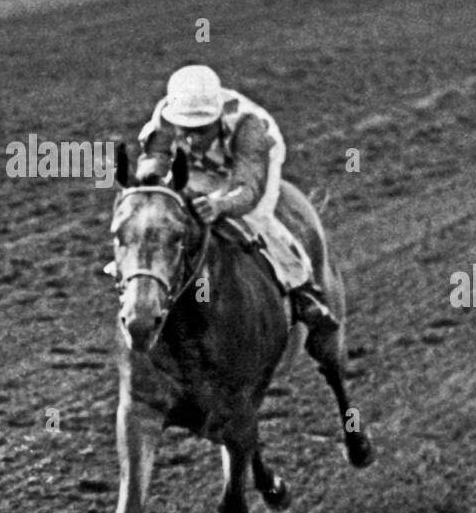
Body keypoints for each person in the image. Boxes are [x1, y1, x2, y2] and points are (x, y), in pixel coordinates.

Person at [133, 64, 337, 334]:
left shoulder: (249, 127)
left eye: (202, 129)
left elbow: (248, 191)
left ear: (217, 118)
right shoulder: (165, 116)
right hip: (199, 167)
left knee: (255, 219)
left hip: (249, 164)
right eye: (186, 129)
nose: (192, 139)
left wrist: (220, 205)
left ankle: (302, 288)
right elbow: (154, 161)